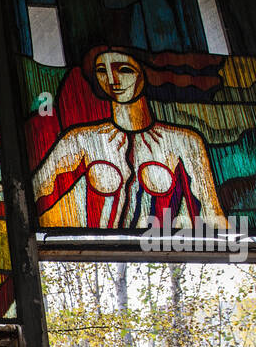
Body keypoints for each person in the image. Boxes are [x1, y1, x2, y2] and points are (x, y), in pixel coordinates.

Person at [32, 45, 227, 230]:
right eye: (101, 71)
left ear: (146, 72)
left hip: (161, 254)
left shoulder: (185, 142)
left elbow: (212, 215)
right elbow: (34, 194)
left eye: (124, 70)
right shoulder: (80, 140)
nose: (112, 80)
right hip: (101, 258)